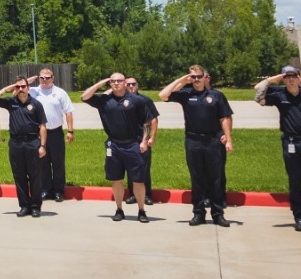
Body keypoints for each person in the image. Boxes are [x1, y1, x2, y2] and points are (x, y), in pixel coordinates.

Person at [254, 65, 301, 232]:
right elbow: (258, 96)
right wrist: (272, 79)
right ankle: (299, 218)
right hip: (291, 143)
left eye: (293, 76)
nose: (291, 79)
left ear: (299, 76)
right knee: (295, 183)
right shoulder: (280, 95)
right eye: (287, 76)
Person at [159, 65, 233, 227]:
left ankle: (218, 214)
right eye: (193, 77)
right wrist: (182, 80)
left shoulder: (216, 96)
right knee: (197, 178)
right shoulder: (186, 95)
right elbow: (163, 95)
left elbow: (225, 118)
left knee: (215, 179)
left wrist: (228, 139)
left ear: (205, 77)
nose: (197, 80)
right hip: (193, 141)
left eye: (199, 76)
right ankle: (198, 213)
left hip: (213, 141)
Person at [82, 73, 151, 223]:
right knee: (116, 179)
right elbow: (85, 97)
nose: (116, 83)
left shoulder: (137, 100)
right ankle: (119, 209)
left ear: (125, 82)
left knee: (138, 180)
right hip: (113, 145)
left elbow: (147, 122)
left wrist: (144, 141)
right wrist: (102, 83)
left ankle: (141, 210)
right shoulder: (104, 100)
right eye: (112, 81)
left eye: (119, 81)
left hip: (133, 144)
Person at [0, 78, 47, 217]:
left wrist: (43, 146)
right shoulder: (11, 103)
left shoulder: (36, 104)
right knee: (19, 176)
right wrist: (6, 89)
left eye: (23, 86)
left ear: (28, 88)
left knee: (34, 176)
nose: (21, 89)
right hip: (15, 144)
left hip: (32, 143)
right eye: (18, 86)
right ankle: (24, 206)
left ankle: (35, 206)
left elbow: (43, 126)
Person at [28, 69, 74, 201]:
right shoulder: (33, 91)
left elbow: (69, 112)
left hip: (55, 133)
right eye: (42, 78)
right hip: (38, 134)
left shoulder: (60, 93)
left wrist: (70, 131)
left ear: (53, 78)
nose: (45, 80)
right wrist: (27, 81)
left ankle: (59, 190)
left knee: (58, 162)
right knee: (42, 162)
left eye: (48, 78)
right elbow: (15, 92)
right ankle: (46, 190)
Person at [123, 77, 158, 206]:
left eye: (133, 84)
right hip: (126, 140)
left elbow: (153, 120)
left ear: (137, 86)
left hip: (141, 139)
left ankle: (147, 195)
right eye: (128, 84)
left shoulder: (145, 100)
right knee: (130, 169)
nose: (131, 86)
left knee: (143, 168)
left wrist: (152, 137)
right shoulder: (121, 100)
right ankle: (132, 195)